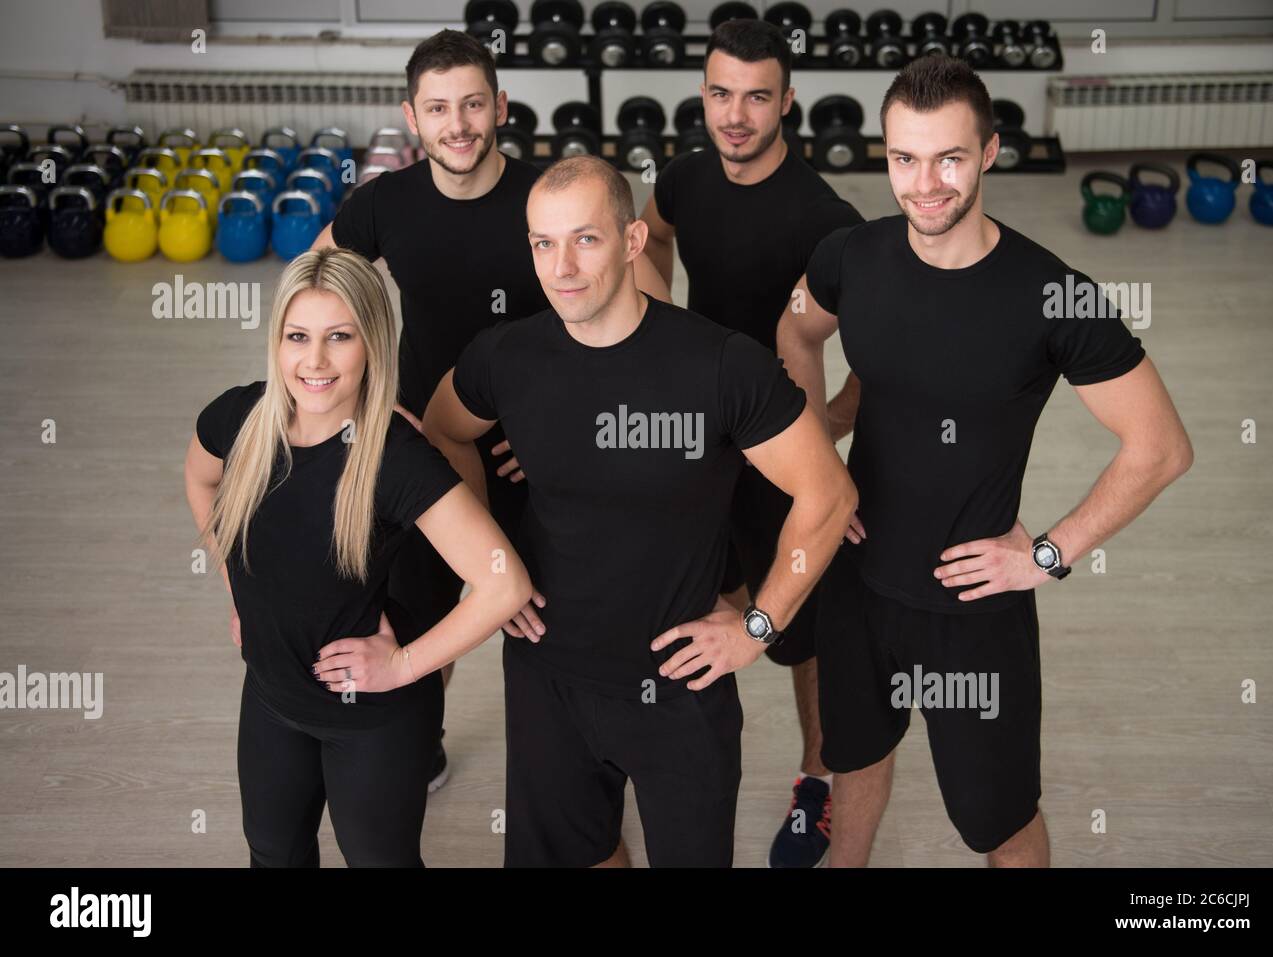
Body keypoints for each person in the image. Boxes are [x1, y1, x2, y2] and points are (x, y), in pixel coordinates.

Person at [776, 56, 1194, 867]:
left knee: (997, 817)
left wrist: (1047, 554)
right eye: (904, 158)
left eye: (949, 158)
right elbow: (796, 331)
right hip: (854, 578)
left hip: (972, 604)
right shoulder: (849, 258)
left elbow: (1161, 447)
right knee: (851, 753)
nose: (925, 183)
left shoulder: (1050, 293)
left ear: (990, 152)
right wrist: (818, 465)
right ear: (884, 156)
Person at [423, 156, 858, 867]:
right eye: (542, 243)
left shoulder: (720, 364)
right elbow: (441, 431)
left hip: (680, 682)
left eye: (585, 240)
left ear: (630, 241)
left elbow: (830, 494)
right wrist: (491, 566)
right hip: (547, 676)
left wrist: (759, 625)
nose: (561, 266)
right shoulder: (506, 358)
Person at [312, 29, 669, 789]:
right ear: (412, 117)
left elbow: (651, 320)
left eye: (474, 103)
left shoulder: (549, 201)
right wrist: (373, 405)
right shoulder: (383, 204)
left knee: (550, 613)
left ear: (501, 105)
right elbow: (315, 303)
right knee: (422, 610)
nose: (459, 123)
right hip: (422, 445)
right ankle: (421, 739)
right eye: (439, 108)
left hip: (544, 448)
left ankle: (595, 763)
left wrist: (570, 421)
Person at [183, 247, 532, 866]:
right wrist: (240, 591)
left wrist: (402, 665)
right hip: (270, 695)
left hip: (373, 718)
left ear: (371, 343)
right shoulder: (238, 417)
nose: (313, 361)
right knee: (272, 850)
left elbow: (501, 582)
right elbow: (201, 482)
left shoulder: (396, 458)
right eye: (298, 336)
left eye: (338, 337)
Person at [633, 17, 863, 867]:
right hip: (696, 437)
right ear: (703, 92)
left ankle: (816, 781)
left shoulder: (825, 217)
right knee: (701, 594)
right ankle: (687, 752)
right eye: (720, 93)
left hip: (779, 446)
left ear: (788, 102)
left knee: (801, 631)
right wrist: (666, 324)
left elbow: (882, 338)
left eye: (756, 97)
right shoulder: (685, 180)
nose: (735, 115)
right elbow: (649, 234)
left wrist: (835, 417)